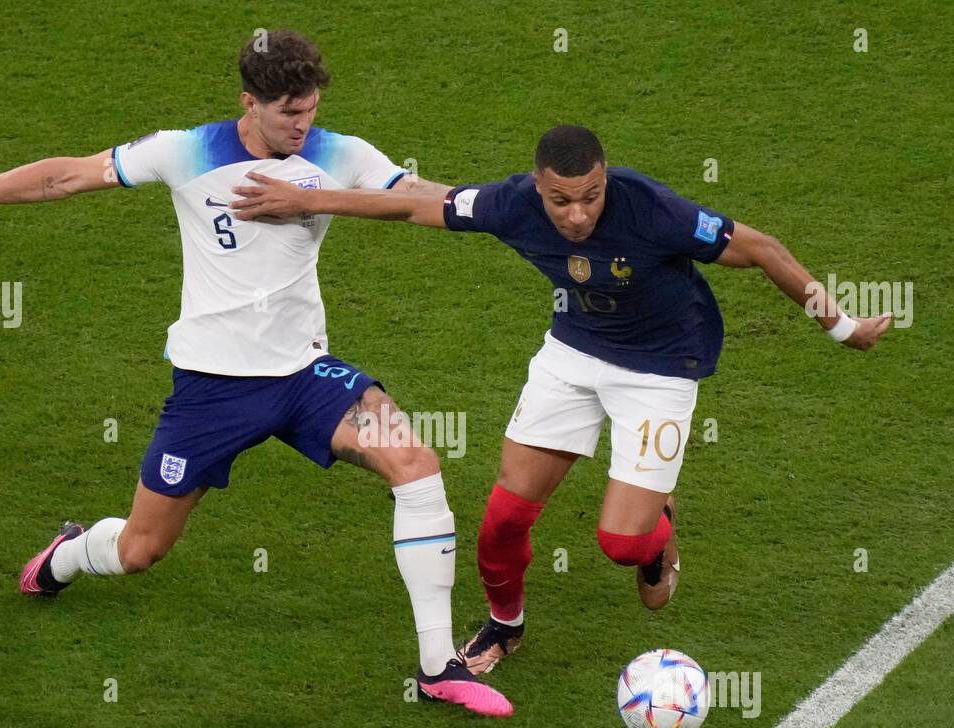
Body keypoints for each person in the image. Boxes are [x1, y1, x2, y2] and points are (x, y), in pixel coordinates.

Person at [0, 30, 513, 717]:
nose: (303, 124)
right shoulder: (188, 151)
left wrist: (507, 207)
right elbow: (67, 175)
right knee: (141, 550)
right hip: (212, 390)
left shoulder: (337, 156)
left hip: (305, 375)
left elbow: (417, 197)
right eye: (289, 113)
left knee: (414, 463)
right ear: (249, 103)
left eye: (311, 109)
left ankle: (438, 666)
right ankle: (69, 555)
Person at [230, 124, 891, 680]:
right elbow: (411, 207)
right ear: (538, 187)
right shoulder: (510, 205)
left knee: (620, 544)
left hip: (661, 368)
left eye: (591, 197)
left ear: (606, 181)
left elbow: (762, 248)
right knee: (502, 521)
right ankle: (504, 628)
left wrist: (842, 326)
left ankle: (655, 528)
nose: (578, 214)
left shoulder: (652, 210)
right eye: (561, 201)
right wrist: (302, 200)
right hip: (573, 354)